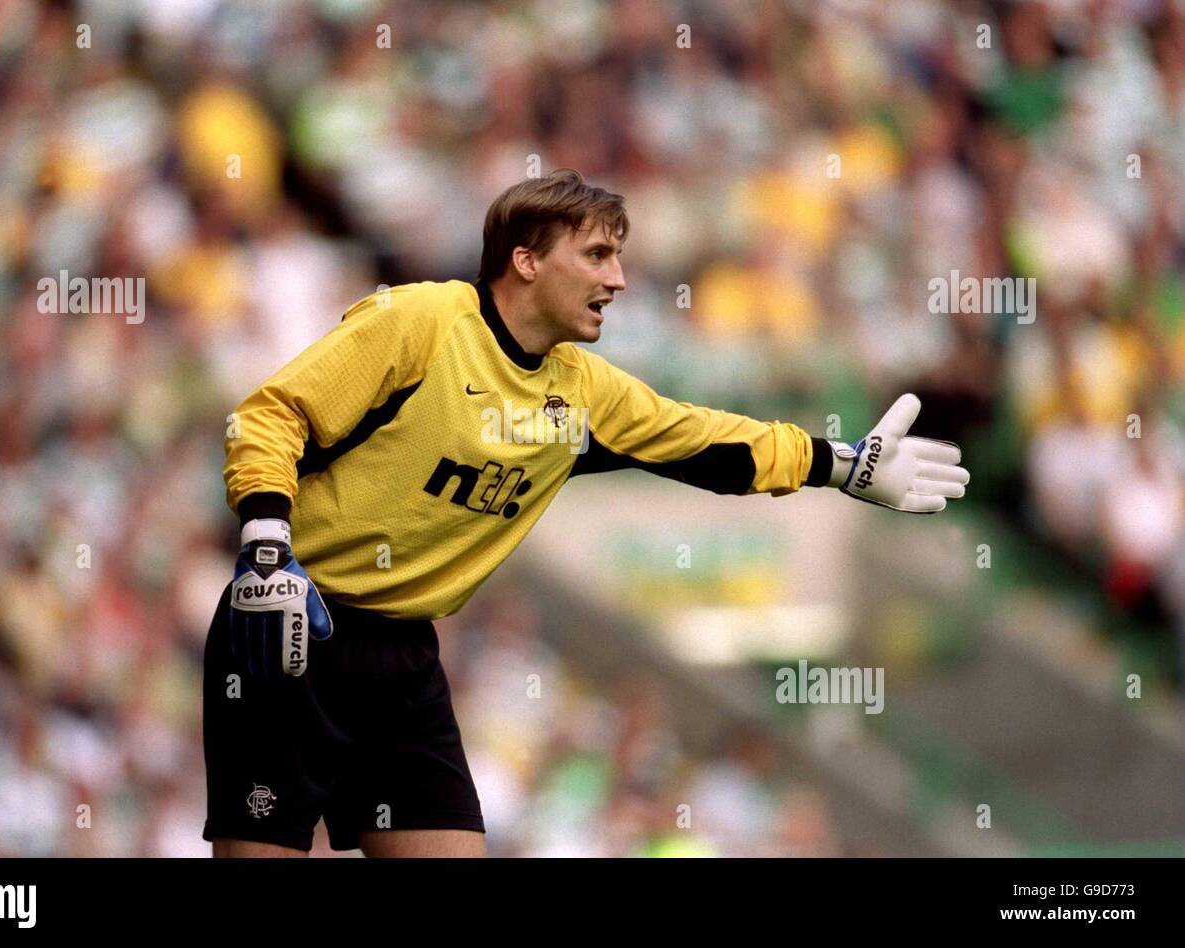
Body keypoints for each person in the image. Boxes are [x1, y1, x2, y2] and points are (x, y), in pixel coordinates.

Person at [201, 169, 969, 858]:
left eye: (620, 257)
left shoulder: (584, 391)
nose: (621, 278)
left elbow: (705, 441)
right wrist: (267, 541)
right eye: (598, 255)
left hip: (404, 656)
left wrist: (840, 464)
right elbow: (273, 414)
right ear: (527, 260)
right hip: (290, 622)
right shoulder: (422, 322)